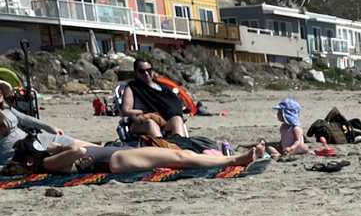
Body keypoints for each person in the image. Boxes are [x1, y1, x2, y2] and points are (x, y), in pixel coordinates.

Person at [37, 140, 264, 175]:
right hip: (114, 161)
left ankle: (234, 158)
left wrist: (61, 144)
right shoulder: (45, 163)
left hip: (117, 152)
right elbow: (79, 152)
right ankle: (235, 160)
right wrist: (58, 149)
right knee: (180, 156)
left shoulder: (56, 154)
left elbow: (87, 145)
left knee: (182, 154)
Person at [121, 59, 187, 138]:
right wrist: (147, 112)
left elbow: (174, 103)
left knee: (177, 119)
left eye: (149, 70)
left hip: (163, 121)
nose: (146, 73)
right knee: (151, 123)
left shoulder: (162, 87)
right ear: (136, 73)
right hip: (141, 122)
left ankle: (180, 144)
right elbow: (126, 110)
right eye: (142, 71)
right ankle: (161, 146)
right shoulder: (133, 87)